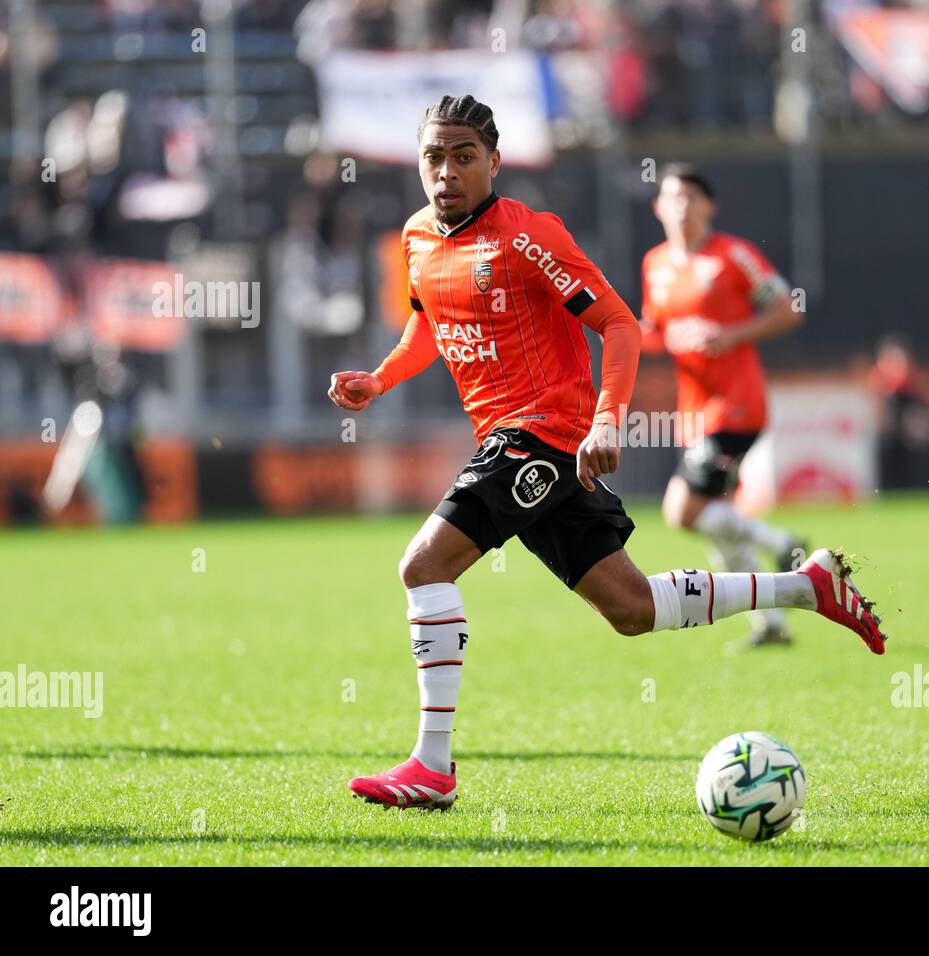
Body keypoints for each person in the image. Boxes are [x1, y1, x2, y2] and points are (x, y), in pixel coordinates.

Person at [325, 96, 886, 810]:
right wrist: (379, 378)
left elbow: (620, 326)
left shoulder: (529, 235)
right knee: (632, 607)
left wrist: (606, 422)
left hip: (542, 434)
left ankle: (431, 766)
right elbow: (428, 329)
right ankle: (805, 587)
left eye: (464, 156)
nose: (447, 171)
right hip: (511, 440)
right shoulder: (415, 237)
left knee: (423, 565)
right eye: (434, 156)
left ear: (494, 162)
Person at [640, 164, 805, 648]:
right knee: (717, 525)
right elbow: (655, 329)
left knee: (681, 511)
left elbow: (788, 308)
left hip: (736, 405)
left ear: (709, 206)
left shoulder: (734, 255)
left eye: (693, 196)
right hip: (693, 410)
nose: (683, 205)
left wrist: (729, 335)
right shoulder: (655, 264)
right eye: (673, 196)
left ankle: (781, 543)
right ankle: (772, 625)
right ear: (658, 208)